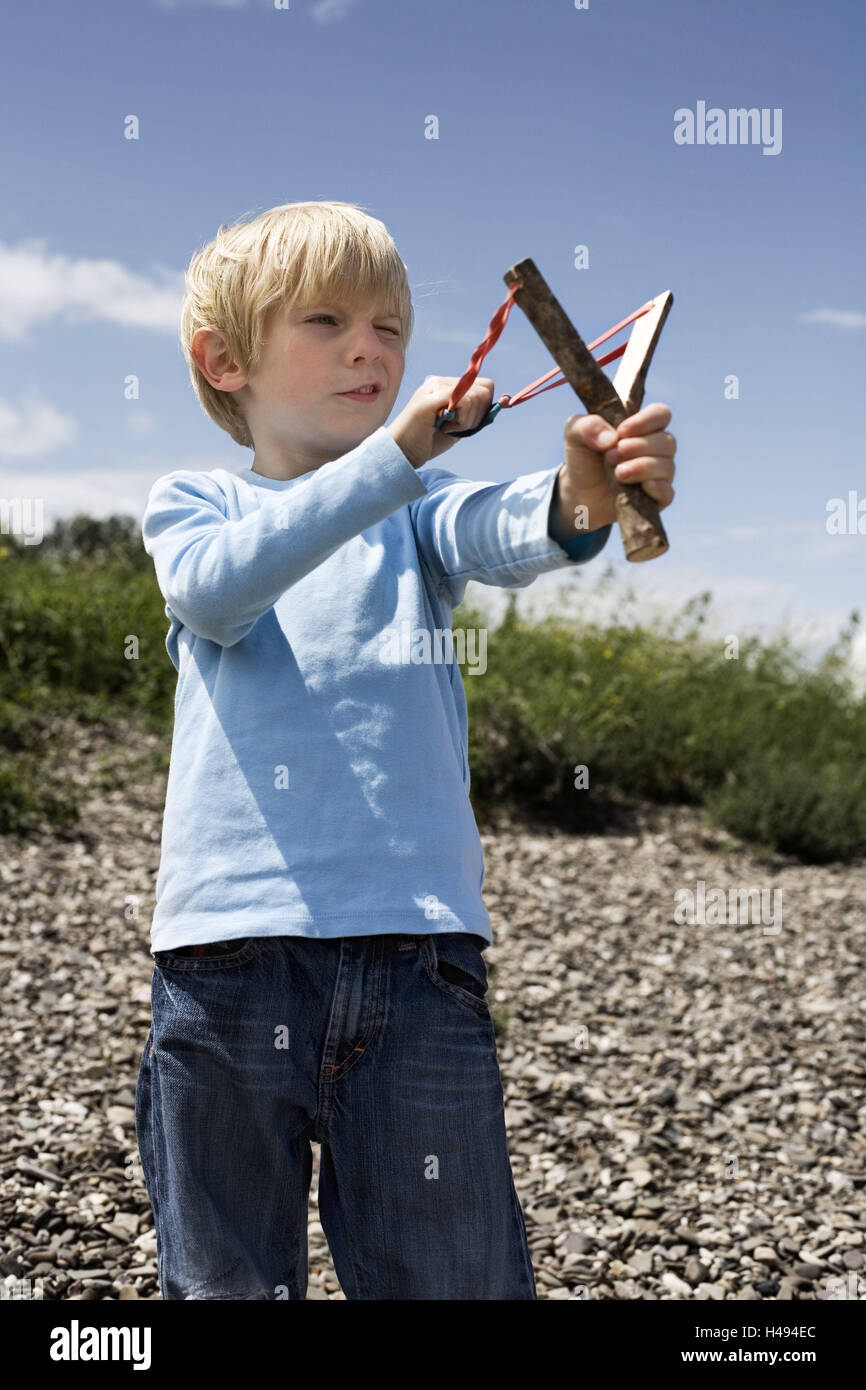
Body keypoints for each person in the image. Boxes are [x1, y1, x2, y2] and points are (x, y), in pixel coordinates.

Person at [135, 200, 677, 1300]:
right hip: (227, 958)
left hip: (419, 961)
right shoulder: (197, 503)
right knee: (226, 1281)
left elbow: (519, 525)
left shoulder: (415, 510)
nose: (369, 348)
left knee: (453, 1278)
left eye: (389, 325)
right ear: (222, 360)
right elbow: (214, 591)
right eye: (327, 319)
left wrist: (587, 479)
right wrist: (392, 456)